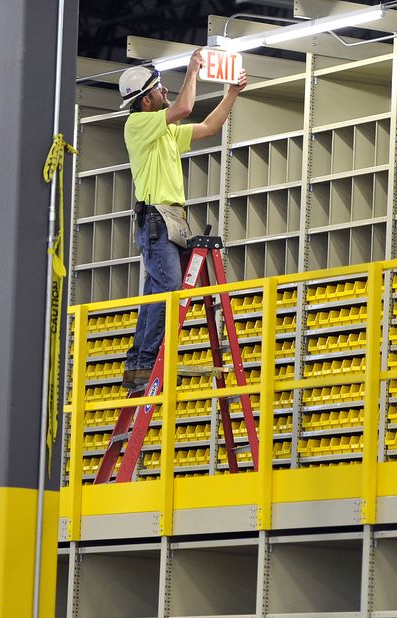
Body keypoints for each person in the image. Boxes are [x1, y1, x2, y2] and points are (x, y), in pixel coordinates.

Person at [118, 49, 247, 390]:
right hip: (158, 218)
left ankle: (139, 364)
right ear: (145, 101)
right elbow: (186, 108)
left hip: (171, 219)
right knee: (169, 289)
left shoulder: (165, 132)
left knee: (159, 292)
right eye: (159, 89)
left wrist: (231, 93)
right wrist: (192, 70)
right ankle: (144, 363)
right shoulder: (138, 124)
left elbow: (208, 126)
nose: (165, 93)